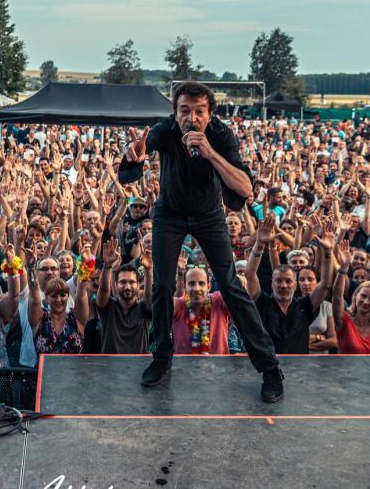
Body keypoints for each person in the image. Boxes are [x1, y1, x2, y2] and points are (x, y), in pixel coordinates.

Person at [117, 81, 283, 403]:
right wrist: (134, 158)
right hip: (170, 213)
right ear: (175, 112)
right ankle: (161, 358)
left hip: (209, 215)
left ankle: (270, 368)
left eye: (198, 112)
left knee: (231, 286)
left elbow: (244, 188)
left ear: (210, 115)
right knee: (162, 286)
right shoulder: (165, 130)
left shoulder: (221, 135)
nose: (190, 118)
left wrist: (210, 153)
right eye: (184, 111)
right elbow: (137, 159)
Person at [244, 217, 332, 354]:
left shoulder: (304, 306)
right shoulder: (263, 302)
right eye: (278, 281)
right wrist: (259, 244)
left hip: (299, 367)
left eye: (288, 281)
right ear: (272, 283)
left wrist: (328, 251)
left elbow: (325, 283)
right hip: (268, 365)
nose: (283, 285)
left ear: (295, 285)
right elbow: (250, 275)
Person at [95, 239, 152, 354]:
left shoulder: (144, 308)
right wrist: (107, 265)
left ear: (138, 285)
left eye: (132, 282)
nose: (127, 286)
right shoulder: (108, 307)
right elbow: (104, 289)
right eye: (123, 282)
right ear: (115, 285)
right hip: (110, 365)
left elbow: (149, 294)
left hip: (139, 365)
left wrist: (148, 270)